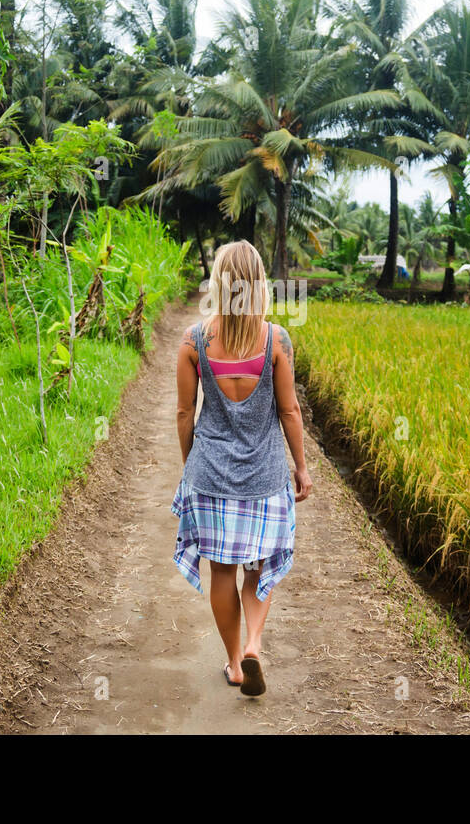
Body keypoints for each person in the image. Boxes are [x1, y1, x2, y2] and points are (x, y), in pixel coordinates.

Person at [172, 240, 313, 697]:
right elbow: (290, 412)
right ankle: (254, 644)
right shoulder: (276, 340)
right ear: (258, 285)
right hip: (265, 475)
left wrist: (190, 467)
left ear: (219, 283)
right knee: (258, 569)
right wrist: (302, 469)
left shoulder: (194, 341)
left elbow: (183, 413)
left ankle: (234, 664)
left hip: (210, 476)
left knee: (222, 573)